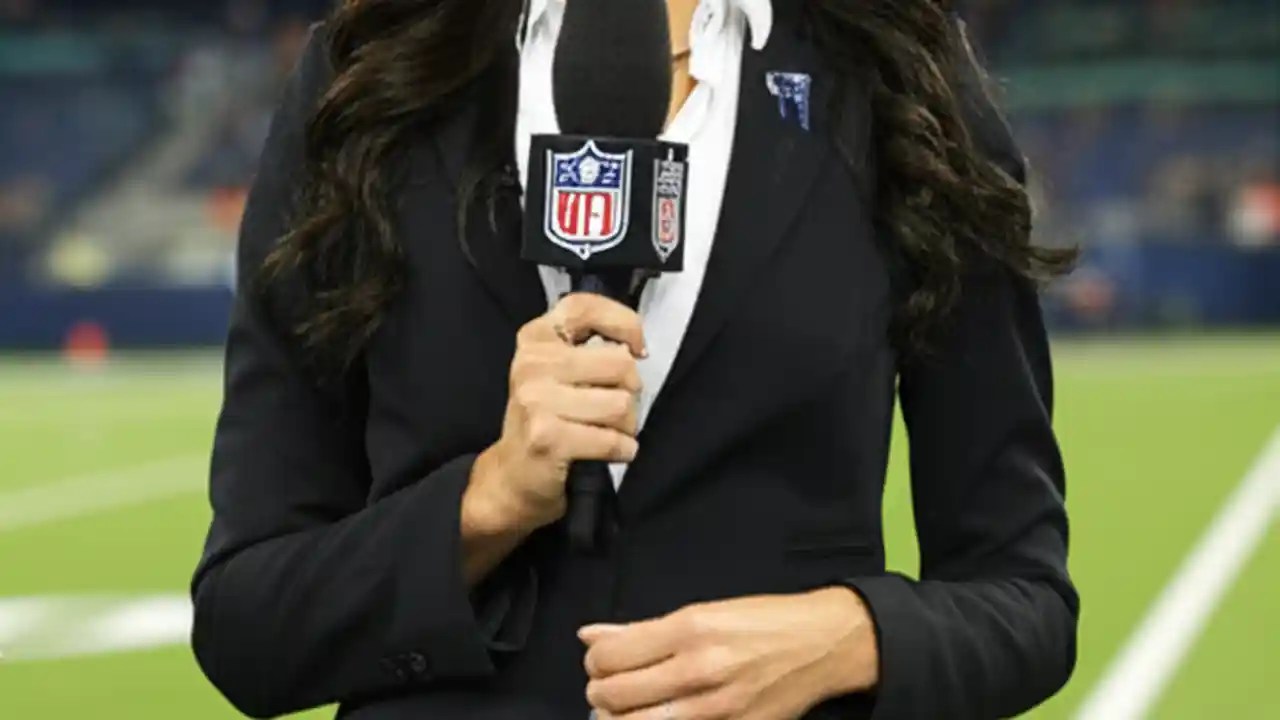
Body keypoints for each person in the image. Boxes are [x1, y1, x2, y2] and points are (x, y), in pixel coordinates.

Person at [190, 0, 1080, 718]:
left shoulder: (904, 78)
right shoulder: (363, 78)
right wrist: (487, 503)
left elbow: (1025, 602)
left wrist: (848, 638)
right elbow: (247, 628)